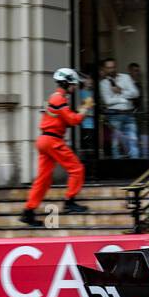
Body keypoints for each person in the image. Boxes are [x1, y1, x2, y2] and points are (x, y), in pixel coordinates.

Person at [19, 68, 90, 227]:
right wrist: (85, 109)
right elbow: (73, 121)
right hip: (53, 141)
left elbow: (65, 119)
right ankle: (69, 202)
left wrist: (78, 112)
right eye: (73, 84)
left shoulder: (56, 98)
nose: (74, 87)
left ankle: (28, 212)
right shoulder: (59, 99)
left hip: (45, 140)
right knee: (76, 169)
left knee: (43, 179)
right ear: (66, 83)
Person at [99, 57, 140, 158]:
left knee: (133, 142)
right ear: (104, 69)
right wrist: (124, 99)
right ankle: (116, 170)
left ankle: (135, 168)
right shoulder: (103, 83)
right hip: (114, 115)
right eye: (108, 68)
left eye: (113, 67)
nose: (111, 70)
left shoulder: (125, 77)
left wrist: (121, 91)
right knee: (115, 144)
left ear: (116, 67)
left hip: (129, 114)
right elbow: (107, 101)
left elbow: (136, 93)